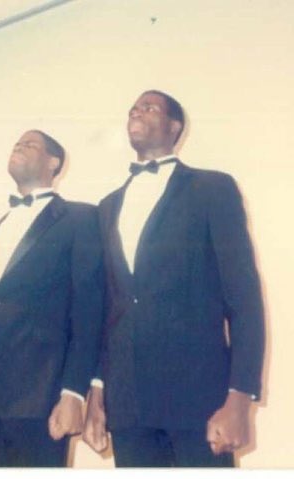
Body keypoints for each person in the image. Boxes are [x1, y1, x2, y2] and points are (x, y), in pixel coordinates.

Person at [83, 90, 265, 467]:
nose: (137, 112)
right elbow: (106, 309)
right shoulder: (107, 206)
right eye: (133, 108)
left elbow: (244, 297)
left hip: (200, 400)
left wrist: (240, 396)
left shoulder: (213, 188)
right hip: (128, 403)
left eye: (149, 107)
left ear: (174, 126)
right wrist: (97, 390)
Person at [0, 130, 104, 467]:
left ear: (54, 163)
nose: (18, 146)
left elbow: (89, 310)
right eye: (16, 143)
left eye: (30, 144)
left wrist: (74, 392)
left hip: (41, 394)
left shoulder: (82, 217)